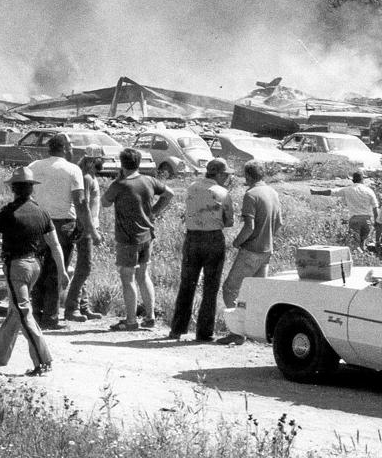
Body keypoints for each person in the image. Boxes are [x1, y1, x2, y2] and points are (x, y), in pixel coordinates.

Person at [0, 167, 69, 376]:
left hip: (16, 267)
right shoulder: (42, 213)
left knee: (23, 312)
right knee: (16, 309)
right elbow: (55, 245)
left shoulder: (5, 213)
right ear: (31, 189)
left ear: (13, 188)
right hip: (35, 267)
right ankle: (0, 354)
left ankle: (42, 361)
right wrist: (62, 270)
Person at [101, 147, 173, 331]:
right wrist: (154, 212)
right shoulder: (149, 180)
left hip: (127, 238)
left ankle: (131, 320)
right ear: (139, 162)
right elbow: (169, 194)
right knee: (143, 275)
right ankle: (150, 317)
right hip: (146, 235)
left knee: (127, 278)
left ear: (122, 163)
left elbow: (105, 202)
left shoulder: (120, 185)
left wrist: (118, 179)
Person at [26, 134, 93, 328]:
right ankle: (51, 317)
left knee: (38, 268)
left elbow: (23, 190)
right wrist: (84, 225)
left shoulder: (34, 166)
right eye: (70, 147)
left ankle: (36, 314)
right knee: (56, 270)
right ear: (64, 149)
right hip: (63, 223)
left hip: (37, 221)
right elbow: (80, 201)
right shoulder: (73, 170)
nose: (72, 150)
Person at [168, 157, 234, 342]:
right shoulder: (222, 192)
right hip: (213, 239)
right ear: (219, 174)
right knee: (210, 287)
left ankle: (177, 329)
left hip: (192, 238)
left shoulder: (192, 187)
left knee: (187, 284)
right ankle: (204, 332)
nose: (227, 178)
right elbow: (229, 221)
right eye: (226, 175)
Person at [216, 160, 281, 345]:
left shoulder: (251, 194)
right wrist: (266, 238)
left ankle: (237, 333)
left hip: (251, 250)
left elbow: (249, 226)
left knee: (230, 289)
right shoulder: (272, 192)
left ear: (248, 176)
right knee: (257, 293)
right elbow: (279, 223)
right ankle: (257, 332)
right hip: (267, 251)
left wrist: (237, 242)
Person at [64, 149, 105, 322]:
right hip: (84, 228)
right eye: (100, 159)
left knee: (83, 268)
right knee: (85, 267)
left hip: (88, 226)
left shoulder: (91, 177)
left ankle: (83, 306)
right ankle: (72, 307)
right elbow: (84, 206)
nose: (102, 162)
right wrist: (92, 230)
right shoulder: (87, 178)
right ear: (91, 160)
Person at [309, 172, 379, 249]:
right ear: (362, 180)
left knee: (355, 244)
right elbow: (375, 208)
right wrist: (376, 222)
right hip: (367, 220)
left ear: (353, 180)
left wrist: (316, 192)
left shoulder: (347, 190)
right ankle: (363, 255)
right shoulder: (369, 191)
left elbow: (331, 192)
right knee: (363, 243)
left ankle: (356, 256)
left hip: (355, 220)